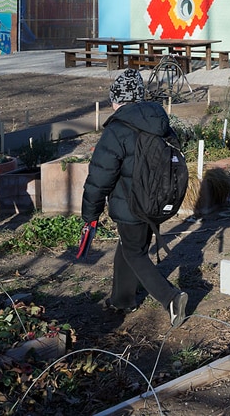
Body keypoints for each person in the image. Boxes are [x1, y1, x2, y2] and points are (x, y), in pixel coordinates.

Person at [81, 69, 189, 326]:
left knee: (135, 253)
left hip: (130, 205)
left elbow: (100, 176)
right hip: (155, 201)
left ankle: (171, 298)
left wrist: (90, 213)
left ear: (116, 100)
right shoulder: (158, 122)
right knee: (130, 248)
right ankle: (122, 300)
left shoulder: (118, 129)